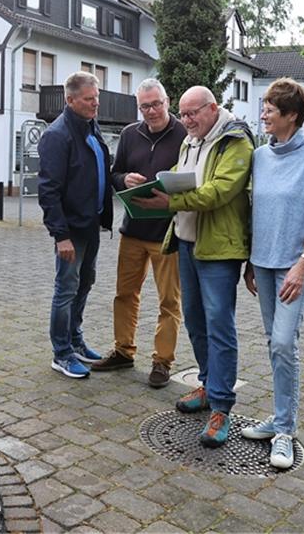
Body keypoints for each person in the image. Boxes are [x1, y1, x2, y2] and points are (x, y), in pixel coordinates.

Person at [133, 86, 254, 448]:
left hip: (218, 250)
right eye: (182, 115)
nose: (185, 121)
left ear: (213, 108)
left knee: (219, 326)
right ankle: (206, 384)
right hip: (187, 242)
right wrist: (155, 182)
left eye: (192, 114)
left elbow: (219, 191)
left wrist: (170, 200)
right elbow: (179, 173)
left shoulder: (236, 143)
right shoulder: (191, 141)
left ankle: (221, 407)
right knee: (197, 323)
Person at [242, 78, 304, 468]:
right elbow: (257, 210)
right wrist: (250, 260)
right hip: (262, 263)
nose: (263, 113)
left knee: (284, 342)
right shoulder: (262, 156)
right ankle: (278, 417)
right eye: (263, 106)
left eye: (269, 108)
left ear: (291, 115)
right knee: (272, 342)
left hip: (297, 264)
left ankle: (284, 430)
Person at [91, 79, 186, 388]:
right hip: (132, 230)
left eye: (156, 104)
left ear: (167, 101)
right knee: (124, 294)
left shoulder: (184, 134)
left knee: (169, 302)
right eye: (144, 106)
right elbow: (114, 173)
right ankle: (123, 350)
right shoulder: (131, 134)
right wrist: (123, 180)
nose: (151, 111)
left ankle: (162, 362)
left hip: (168, 233)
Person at [37, 71, 113, 379]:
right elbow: (48, 190)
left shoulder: (90, 127)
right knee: (66, 288)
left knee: (84, 284)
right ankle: (61, 352)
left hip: (91, 225)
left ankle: (75, 338)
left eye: (97, 98)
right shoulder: (58, 135)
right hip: (71, 231)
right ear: (70, 100)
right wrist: (61, 235)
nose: (95, 103)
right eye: (88, 99)